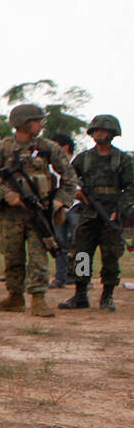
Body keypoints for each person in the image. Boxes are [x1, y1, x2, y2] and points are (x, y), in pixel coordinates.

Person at [0, 103, 77, 317]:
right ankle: (15, 297)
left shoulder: (48, 147)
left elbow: (70, 176)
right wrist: (7, 195)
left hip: (39, 211)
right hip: (10, 213)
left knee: (38, 254)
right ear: (24, 123)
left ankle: (38, 298)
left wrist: (60, 201)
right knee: (12, 254)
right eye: (37, 120)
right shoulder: (2, 148)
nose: (41, 124)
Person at [59, 115, 132, 312]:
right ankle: (80, 294)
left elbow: (131, 188)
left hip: (111, 216)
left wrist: (120, 210)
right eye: (95, 131)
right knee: (82, 254)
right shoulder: (84, 158)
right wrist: (77, 193)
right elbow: (68, 179)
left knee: (110, 257)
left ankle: (107, 296)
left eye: (102, 130)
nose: (97, 134)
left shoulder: (122, 159)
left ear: (112, 134)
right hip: (89, 214)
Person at [48, 133, 81, 289]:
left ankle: (82, 278)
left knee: (82, 245)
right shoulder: (51, 166)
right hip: (59, 208)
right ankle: (61, 277)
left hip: (77, 207)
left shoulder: (78, 163)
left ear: (65, 147)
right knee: (59, 244)